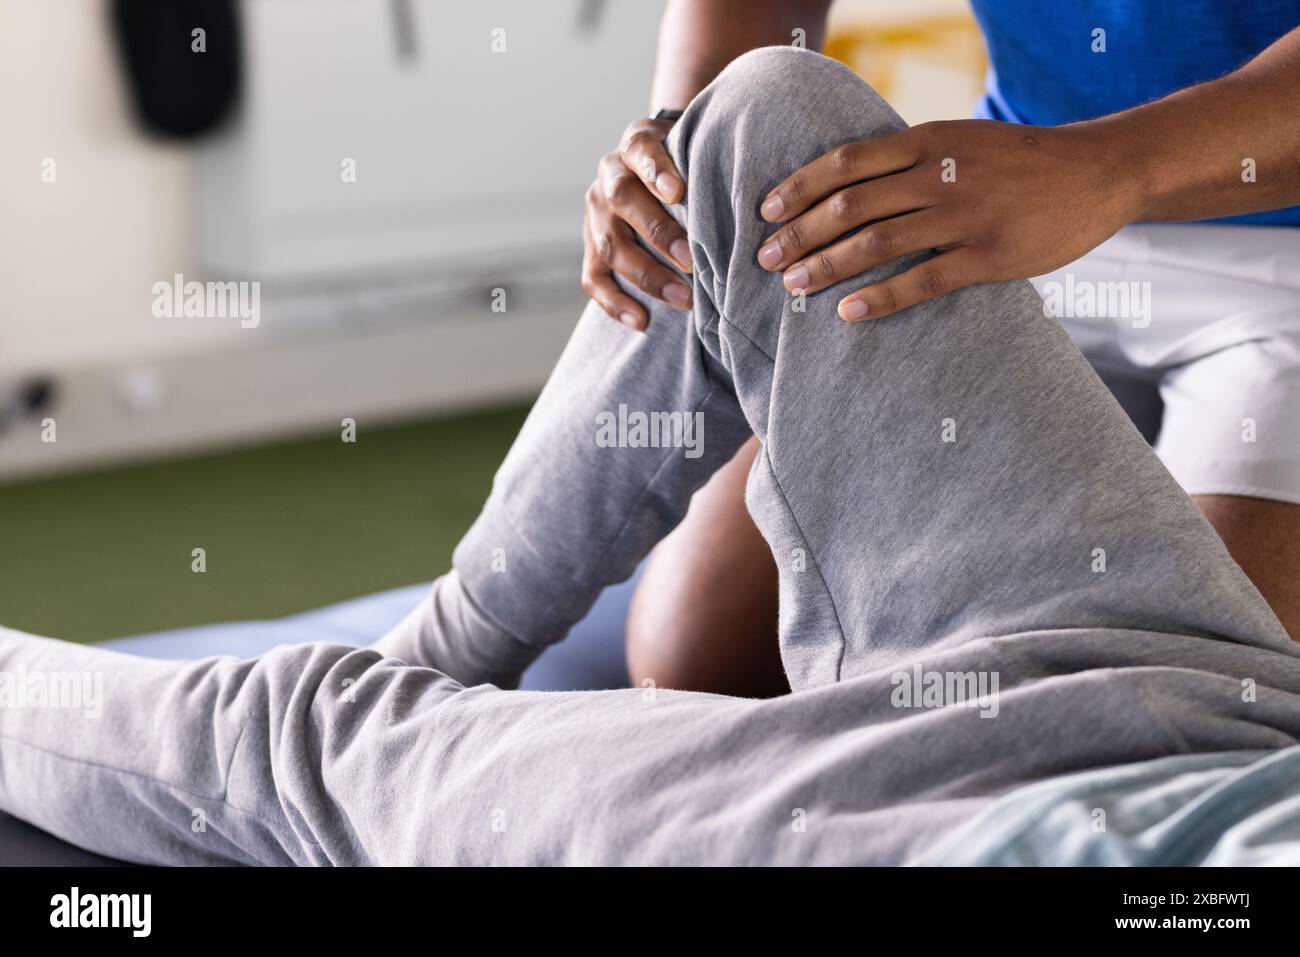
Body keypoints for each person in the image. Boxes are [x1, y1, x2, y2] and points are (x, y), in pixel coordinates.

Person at [3, 45, 1300, 866]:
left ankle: (382, 701)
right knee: (767, 119)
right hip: (1225, 723)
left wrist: (1113, 167)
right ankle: (451, 635)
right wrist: (663, 163)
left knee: (315, 745)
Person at [582, 0, 1300, 697]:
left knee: (1199, 702)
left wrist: (1108, 169)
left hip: (1264, 242)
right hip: (1024, 194)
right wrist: (678, 145)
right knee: (687, 659)